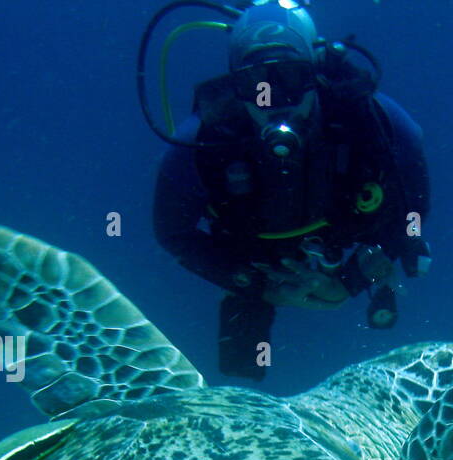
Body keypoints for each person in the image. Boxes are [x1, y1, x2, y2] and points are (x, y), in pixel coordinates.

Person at [151, 0, 431, 380]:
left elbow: (413, 213)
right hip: (255, 261)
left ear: (316, 74)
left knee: (388, 335)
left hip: (348, 240)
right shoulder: (200, 144)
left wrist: (354, 279)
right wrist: (254, 283)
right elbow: (172, 231)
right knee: (240, 373)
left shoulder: (378, 125)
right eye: (258, 85)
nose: (276, 102)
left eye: (292, 78)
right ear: (236, 86)